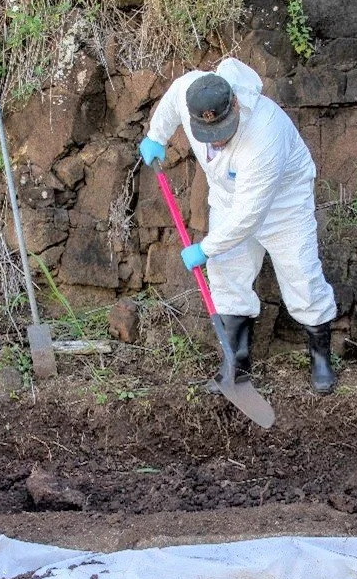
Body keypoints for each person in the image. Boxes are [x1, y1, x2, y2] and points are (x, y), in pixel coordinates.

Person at [138, 57, 339, 394]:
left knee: (301, 275)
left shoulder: (264, 133)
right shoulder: (194, 89)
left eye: (220, 133)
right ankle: (237, 363)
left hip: (282, 206)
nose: (215, 141)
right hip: (228, 196)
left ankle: (321, 358)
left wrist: (206, 248)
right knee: (226, 274)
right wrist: (156, 135)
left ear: (235, 106)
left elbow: (249, 216)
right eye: (208, 134)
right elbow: (174, 96)